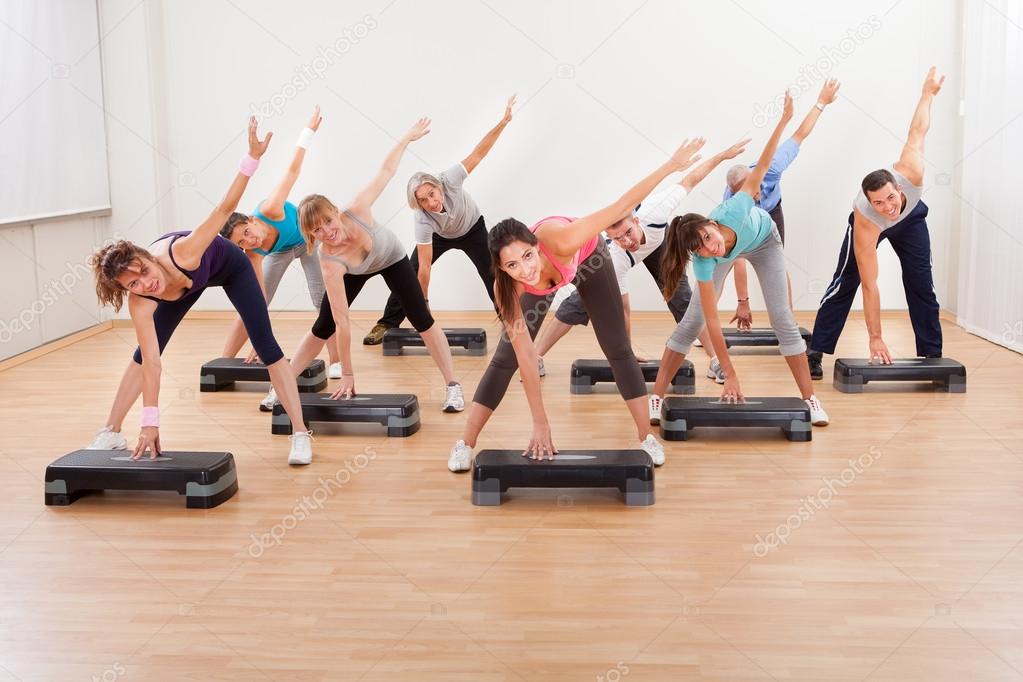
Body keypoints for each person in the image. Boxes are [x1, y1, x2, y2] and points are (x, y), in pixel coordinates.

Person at [446, 136, 708, 473]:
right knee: (505, 358)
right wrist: (540, 423)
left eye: (527, 256)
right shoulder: (508, 288)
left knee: (616, 348)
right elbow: (527, 358)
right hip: (545, 284)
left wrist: (671, 165)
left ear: (536, 246)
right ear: (502, 269)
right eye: (512, 266)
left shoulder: (563, 239)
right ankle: (465, 442)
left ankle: (646, 437)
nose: (525, 269)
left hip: (590, 260)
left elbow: (620, 205)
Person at [87, 118, 317, 465]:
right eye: (133, 284)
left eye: (144, 272)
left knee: (267, 345)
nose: (145, 283)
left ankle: (300, 433)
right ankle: (111, 430)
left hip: (227, 268)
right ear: (126, 289)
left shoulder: (185, 252)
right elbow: (152, 363)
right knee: (143, 353)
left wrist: (251, 158)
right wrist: (150, 423)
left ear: (148, 257)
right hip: (187, 286)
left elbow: (224, 208)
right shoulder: (141, 300)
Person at [649, 92, 829, 427]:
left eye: (707, 237)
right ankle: (656, 397)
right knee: (692, 322)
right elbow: (714, 322)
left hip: (764, 243)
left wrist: (784, 118)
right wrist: (729, 373)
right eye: (700, 249)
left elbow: (762, 162)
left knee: (783, 320)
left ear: (712, 224)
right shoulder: (706, 260)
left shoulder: (736, 207)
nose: (709, 247)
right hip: (744, 247)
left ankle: (811, 399)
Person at [266, 118, 466, 413]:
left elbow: (386, 170)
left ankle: (453, 386)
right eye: (317, 231)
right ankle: (281, 386)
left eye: (328, 222)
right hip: (353, 269)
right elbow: (343, 322)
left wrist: (407, 137)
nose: (327, 232)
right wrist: (347, 373)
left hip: (391, 258)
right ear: (311, 235)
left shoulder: (358, 209)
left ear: (336, 212)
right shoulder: (330, 261)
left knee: (421, 318)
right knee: (323, 326)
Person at [533, 138, 751, 384]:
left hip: (660, 244)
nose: (627, 241)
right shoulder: (614, 257)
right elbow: (623, 310)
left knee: (683, 299)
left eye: (628, 232)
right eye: (618, 238)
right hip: (619, 262)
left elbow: (690, 180)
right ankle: (536, 356)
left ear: (635, 220)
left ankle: (715, 362)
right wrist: (626, 355)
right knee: (579, 302)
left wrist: (722, 155)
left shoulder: (654, 211)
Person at [806, 68, 945, 378]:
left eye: (890, 199)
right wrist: (875, 337)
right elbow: (871, 286)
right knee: (847, 281)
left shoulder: (911, 170)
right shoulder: (866, 217)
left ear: (898, 188)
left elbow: (918, 130)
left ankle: (932, 354)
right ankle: (816, 350)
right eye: (879, 203)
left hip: (913, 222)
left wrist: (927, 94)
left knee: (922, 283)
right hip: (869, 230)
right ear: (869, 202)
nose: (887, 208)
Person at [362, 96, 516, 345]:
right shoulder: (422, 220)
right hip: (440, 235)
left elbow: (479, 153)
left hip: (472, 228)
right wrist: (424, 310)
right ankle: (386, 322)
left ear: (438, 186)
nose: (430, 202)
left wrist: (503, 122)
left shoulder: (450, 179)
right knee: (408, 274)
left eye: (431, 194)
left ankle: (510, 323)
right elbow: (425, 269)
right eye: (423, 200)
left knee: (491, 272)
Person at [218, 106, 342, 378]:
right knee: (250, 303)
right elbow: (259, 302)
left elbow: (292, 170)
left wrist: (307, 132)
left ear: (251, 219)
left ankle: (336, 360)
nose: (250, 241)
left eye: (247, 233)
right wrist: (260, 343)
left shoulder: (271, 208)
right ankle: (222, 364)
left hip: (308, 241)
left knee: (321, 297)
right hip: (281, 252)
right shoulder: (254, 253)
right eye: (243, 243)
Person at [723, 78, 841, 327]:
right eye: (743, 193)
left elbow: (799, 134)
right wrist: (743, 301)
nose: (751, 195)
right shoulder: (732, 206)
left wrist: (821, 102)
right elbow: (738, 258)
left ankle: (787, 320)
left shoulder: (772, 168)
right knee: (724, 260)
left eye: (752, 189)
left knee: (776, 262)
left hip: (772, 212)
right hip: (746, 222)